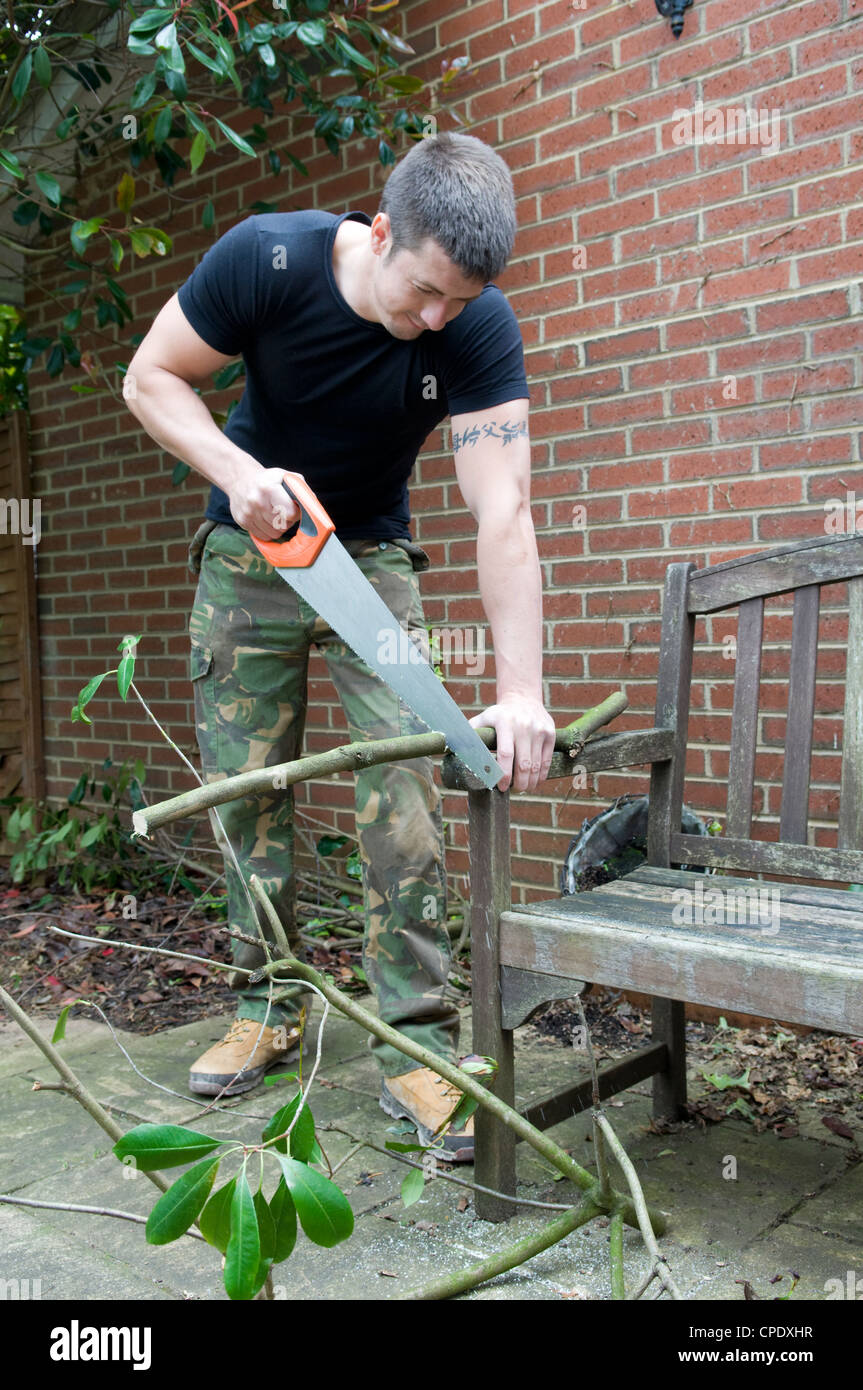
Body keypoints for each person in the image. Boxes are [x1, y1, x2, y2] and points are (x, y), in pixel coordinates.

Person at [124, 131, 556, 1163]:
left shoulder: (474, 326)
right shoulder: (263, 260)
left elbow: (504, 511)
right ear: (377, 233)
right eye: (422, 293)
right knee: (245, 787)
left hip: (372, 557)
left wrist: (523, 689)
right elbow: (151, 378)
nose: (436, 319)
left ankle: (414, 1044)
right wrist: (237, 470)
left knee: (402, 792)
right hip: (249, 547)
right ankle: (266, 1005)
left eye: (459, 299)